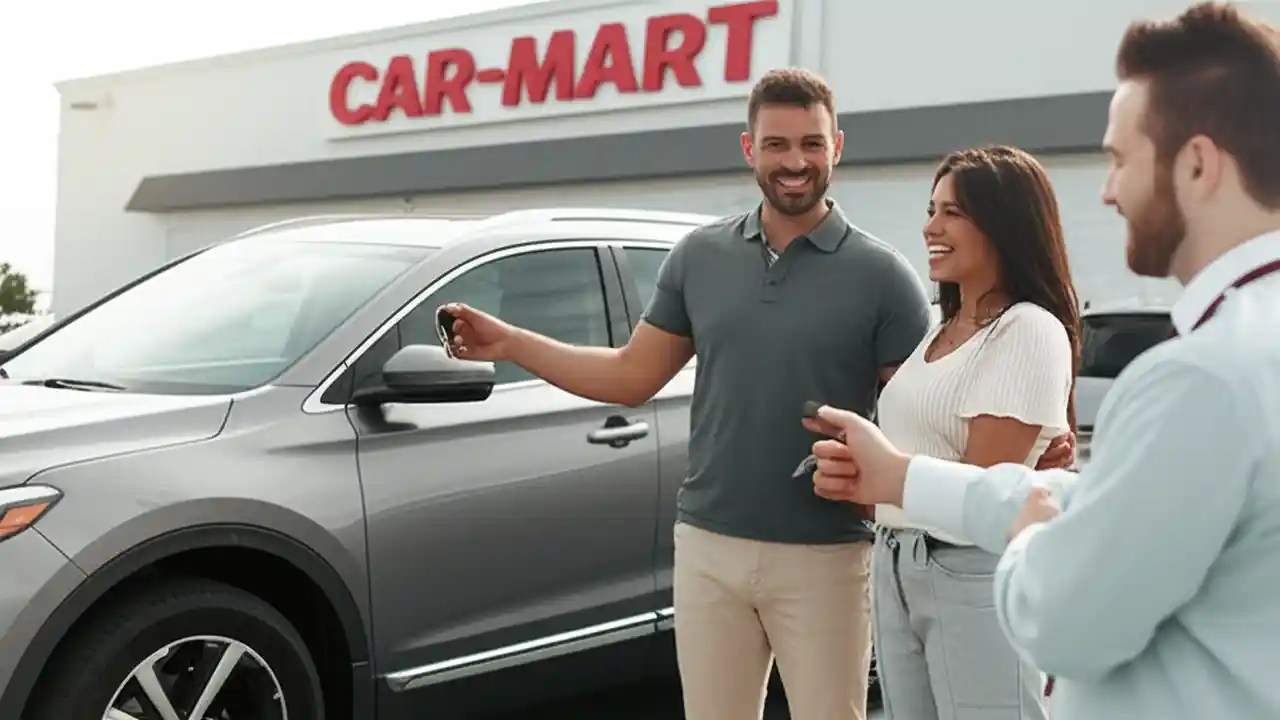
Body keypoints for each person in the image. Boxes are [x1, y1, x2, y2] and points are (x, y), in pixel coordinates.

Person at [442, 68, 1072, 720]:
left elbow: (926, 409)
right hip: (708, 547)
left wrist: (1025, 464)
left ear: (838, 147)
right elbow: (630, 376)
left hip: (830, 557)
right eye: (777, 144)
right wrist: (513, 342)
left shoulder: (886, 278)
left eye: (811, 143)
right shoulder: (698, 257)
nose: (795, 161)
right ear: (750, 149)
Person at [802, 3, 1280, 719]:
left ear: (1198, 163)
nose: (1107, 190)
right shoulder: (1241, 353)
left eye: (1120, 159)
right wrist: (911, 478)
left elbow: (1064, 620)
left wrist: (1035, 538)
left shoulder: (1201, 379)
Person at [857, 145, 1079, 720]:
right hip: (896, 560)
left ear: (1004, 223)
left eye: (952, 212)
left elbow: (981, 491)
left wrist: (880, 476)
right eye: (932, 209)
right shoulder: (941, 330)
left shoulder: (1028, 329)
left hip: (966, 567)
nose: (930, 226)